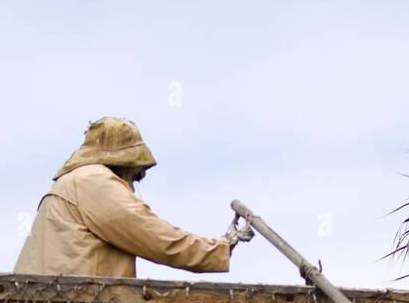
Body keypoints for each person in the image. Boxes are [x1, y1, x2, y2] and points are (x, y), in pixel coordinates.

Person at [14, 117, 250, 277]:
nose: (135, 182)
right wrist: (219, 248)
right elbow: (152, 235)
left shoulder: (73, 182)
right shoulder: (93, 181)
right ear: (122, 161)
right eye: (136, 174)